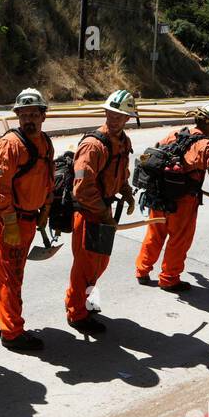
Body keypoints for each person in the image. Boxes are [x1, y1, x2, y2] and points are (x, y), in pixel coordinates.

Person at [0, 88, 55, 352]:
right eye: (23, 115)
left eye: (34, 114)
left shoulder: (45, 143)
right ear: (17, 117)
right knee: (12, 275)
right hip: (7, 220)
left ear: (43, 116)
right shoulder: (10, 145)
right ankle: (12, 332)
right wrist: (11, 222)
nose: (29, 120)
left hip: (29, 219)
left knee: (5, 271)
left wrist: (45, 209)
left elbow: (49, 179)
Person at [134, 103, 209, 291]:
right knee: (179, 240)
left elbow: (154, 155)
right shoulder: (208, 146)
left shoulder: (175, 135)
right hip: (184, 201)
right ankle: (169, 279)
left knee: (154, 235)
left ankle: (142, 270)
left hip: (159, 195)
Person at [65, 89, 137, 334]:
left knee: (99, 264)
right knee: (85, 267)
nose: (114, 118)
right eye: (111, 113)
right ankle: (76, 314)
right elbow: (82, 189)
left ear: (128, 118)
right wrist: (103, 213)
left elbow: (120, 172)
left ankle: (83, 302)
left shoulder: (123, 142)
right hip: (88, 213)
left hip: (104, 211)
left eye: (119, 114)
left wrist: (126, 192)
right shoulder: (93, 146)